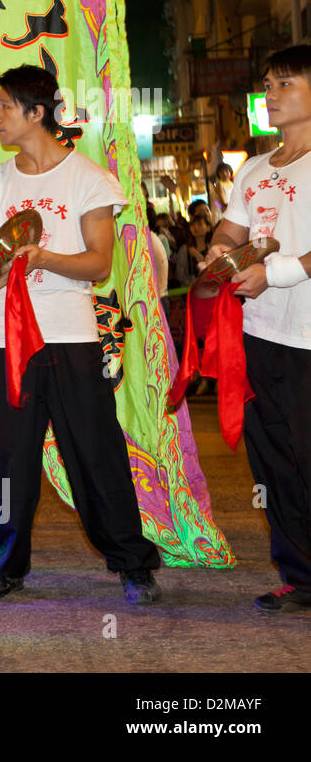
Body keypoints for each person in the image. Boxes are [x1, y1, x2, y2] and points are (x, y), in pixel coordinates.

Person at [0, 65, 161, 605]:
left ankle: (131, 562)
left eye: (6, 106)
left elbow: (100, 264)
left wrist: (45, 257)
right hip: (7, 338)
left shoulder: (89, 179)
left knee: (95, 452)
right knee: (9, 457)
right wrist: (1, 260)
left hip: (71, 336)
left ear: (36, 114)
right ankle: (5, 565)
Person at [203, 44, 311, 614]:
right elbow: (231, 228)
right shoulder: (256, 167)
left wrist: (277, 273)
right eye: (268, 83)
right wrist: (220, 252)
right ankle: (300, 575)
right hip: (259, 336)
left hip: (308, 337)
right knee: (273, 461)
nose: (269, 92)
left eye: (285, 83)